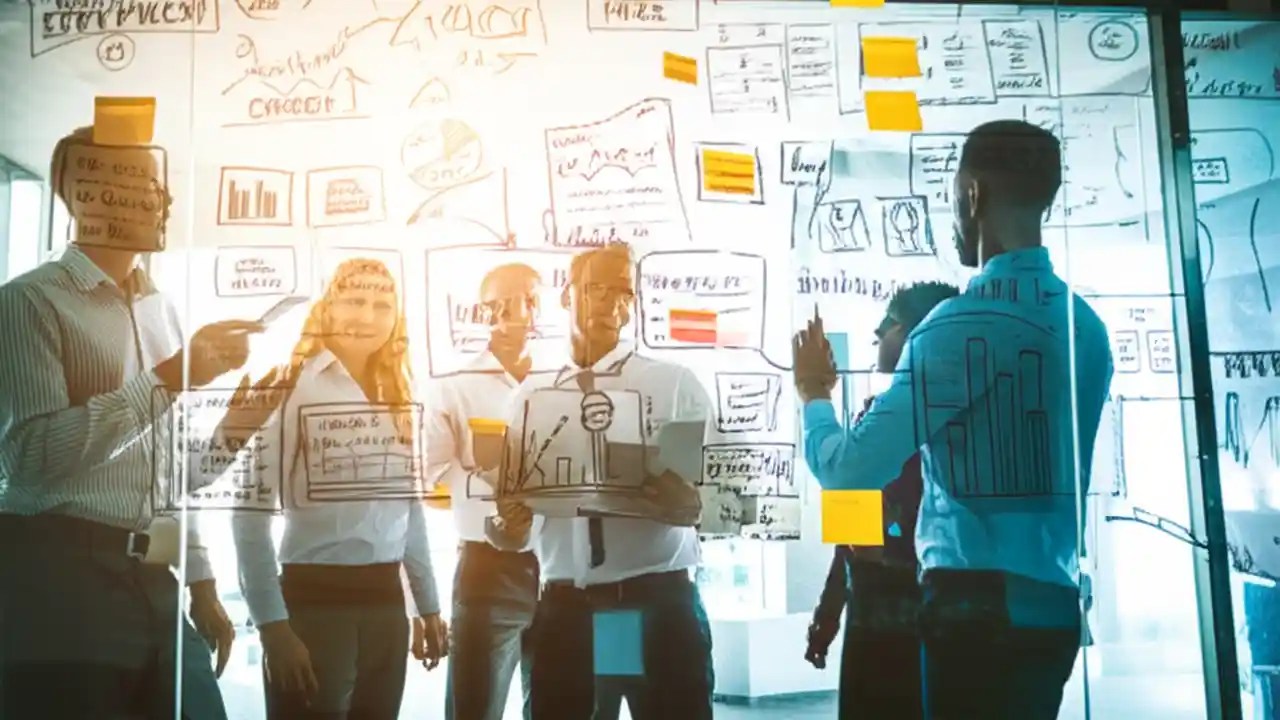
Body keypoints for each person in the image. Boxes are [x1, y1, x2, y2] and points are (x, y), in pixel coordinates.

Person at [794, 120, 1114, 720]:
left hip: (971, 606)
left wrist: (813, 394)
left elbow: (848, 475)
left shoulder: (954, 326)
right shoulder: (1085, 327)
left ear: (972, 194)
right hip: (1054, 600)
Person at [0, 125, 246, 718]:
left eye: (160, 187)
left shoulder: (162, 310)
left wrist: (240, 425)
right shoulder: (28, 302)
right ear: (78, 192)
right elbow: (30, 459)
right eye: (142, 184)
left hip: (155, 578)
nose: (161, 201)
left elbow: (169, 475)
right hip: (59, 577)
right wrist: (165, 380)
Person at [489, 242, 713, 720]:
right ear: (566, 296)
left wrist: (695, 509)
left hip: (657, 601)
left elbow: (724, 500)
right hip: (568, 609)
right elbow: (513, 524)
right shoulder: (529, 396)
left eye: (624, 293)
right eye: (596, 290)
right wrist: (506, 528)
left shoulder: (673, 384)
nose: (613, 305)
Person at [226, 258, 447, 719]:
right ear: (328, 308)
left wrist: (427, 605)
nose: (367, 316)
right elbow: (249, 512)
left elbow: (410, 510)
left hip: (386, 606)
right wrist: (272, 628)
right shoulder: (290, 387)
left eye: (382, 304)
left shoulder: (400, 393)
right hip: (312, 604)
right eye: (355, 301)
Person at [803, 282, 959, 720]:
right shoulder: (873, 416)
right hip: (873, 603)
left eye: (892, 321)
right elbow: (850, 530)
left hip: (918, 606)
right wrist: (830, 612)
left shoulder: (942, 424)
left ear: (920, 333)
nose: (878, 330)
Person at [423, 263, 546, 720]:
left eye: (532, 300)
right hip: (487, 569)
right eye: (505, 301)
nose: (520, 312)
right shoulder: (453, 385)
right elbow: (434, 471)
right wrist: (496, 492)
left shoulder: (564, 379)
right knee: (475, 709)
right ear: (483, 310)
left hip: (563, 571)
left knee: (564, 704)